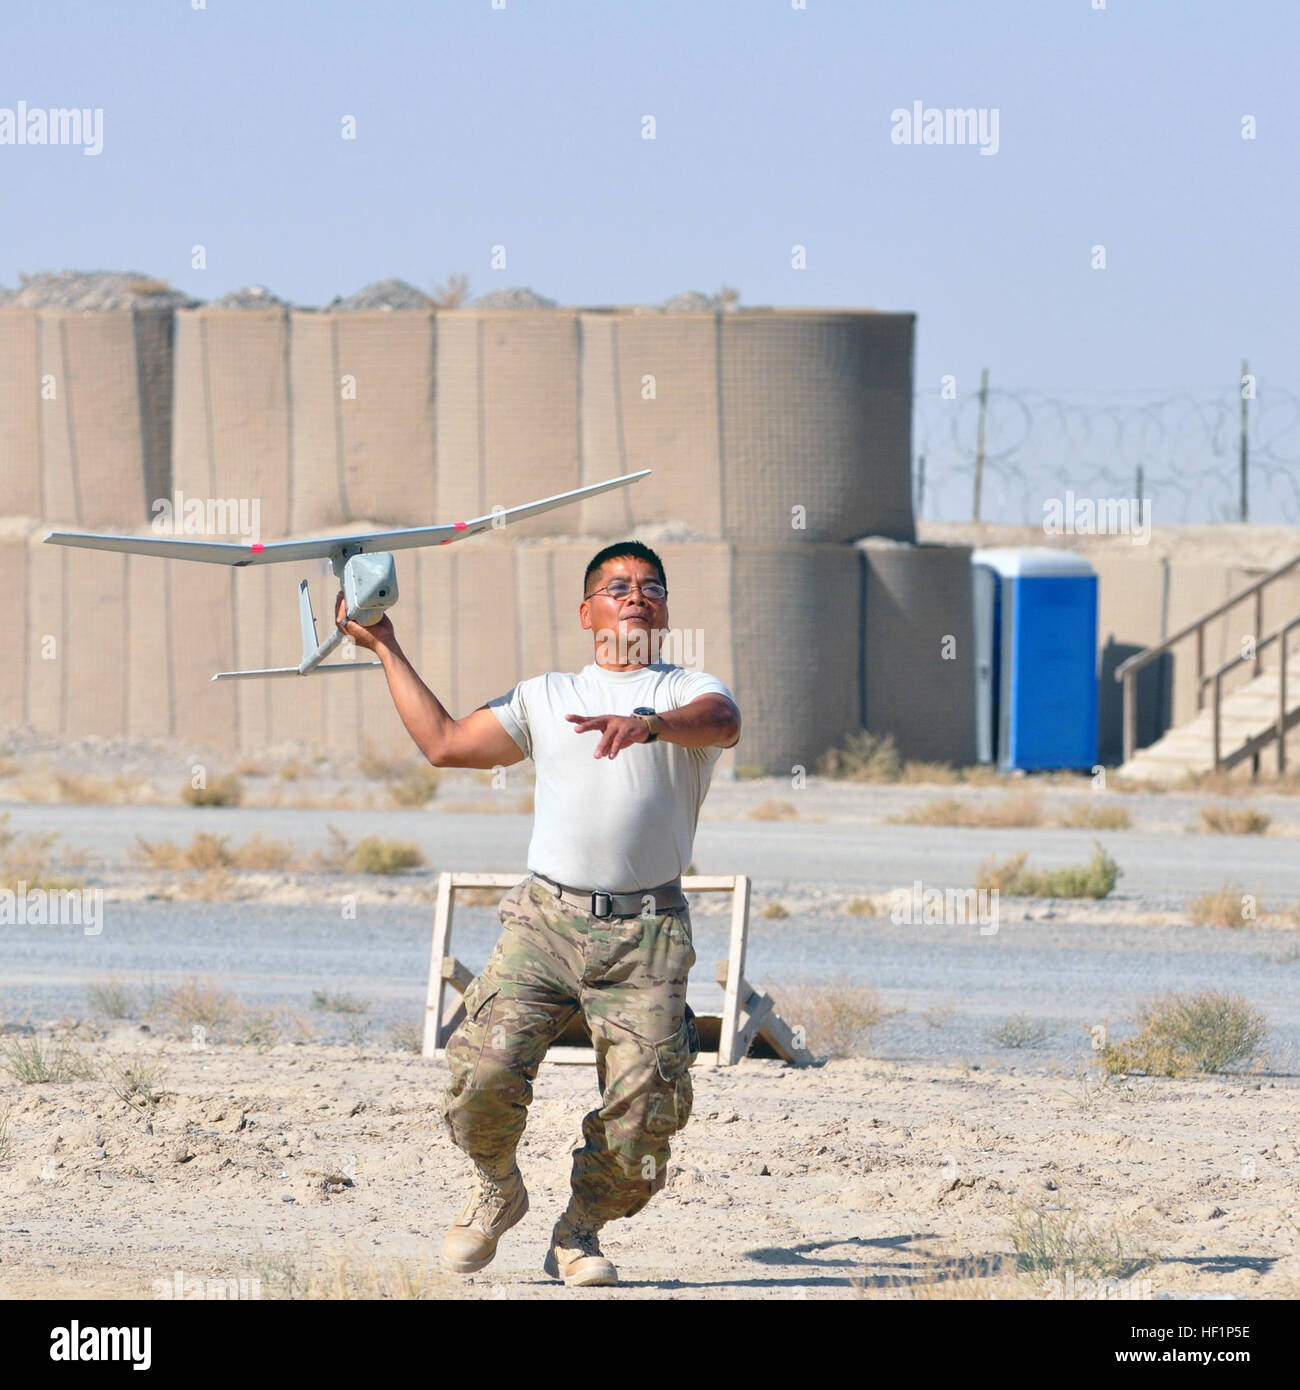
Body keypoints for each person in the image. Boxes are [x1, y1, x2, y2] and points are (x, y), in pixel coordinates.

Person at [334, 540, 740, 1288]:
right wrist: (385, 646)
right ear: (586, 611)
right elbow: (445, 743)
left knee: (647, 1116)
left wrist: (649, 724)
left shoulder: (689, 690)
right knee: (481, 1072)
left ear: (667, 611)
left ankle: (578, 1230)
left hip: (646, 936)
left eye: (652, 587)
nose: (636, 595)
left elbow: (723, 721)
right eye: (616, 586)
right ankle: (497, 1188)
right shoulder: (546, 696)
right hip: (544, 924)